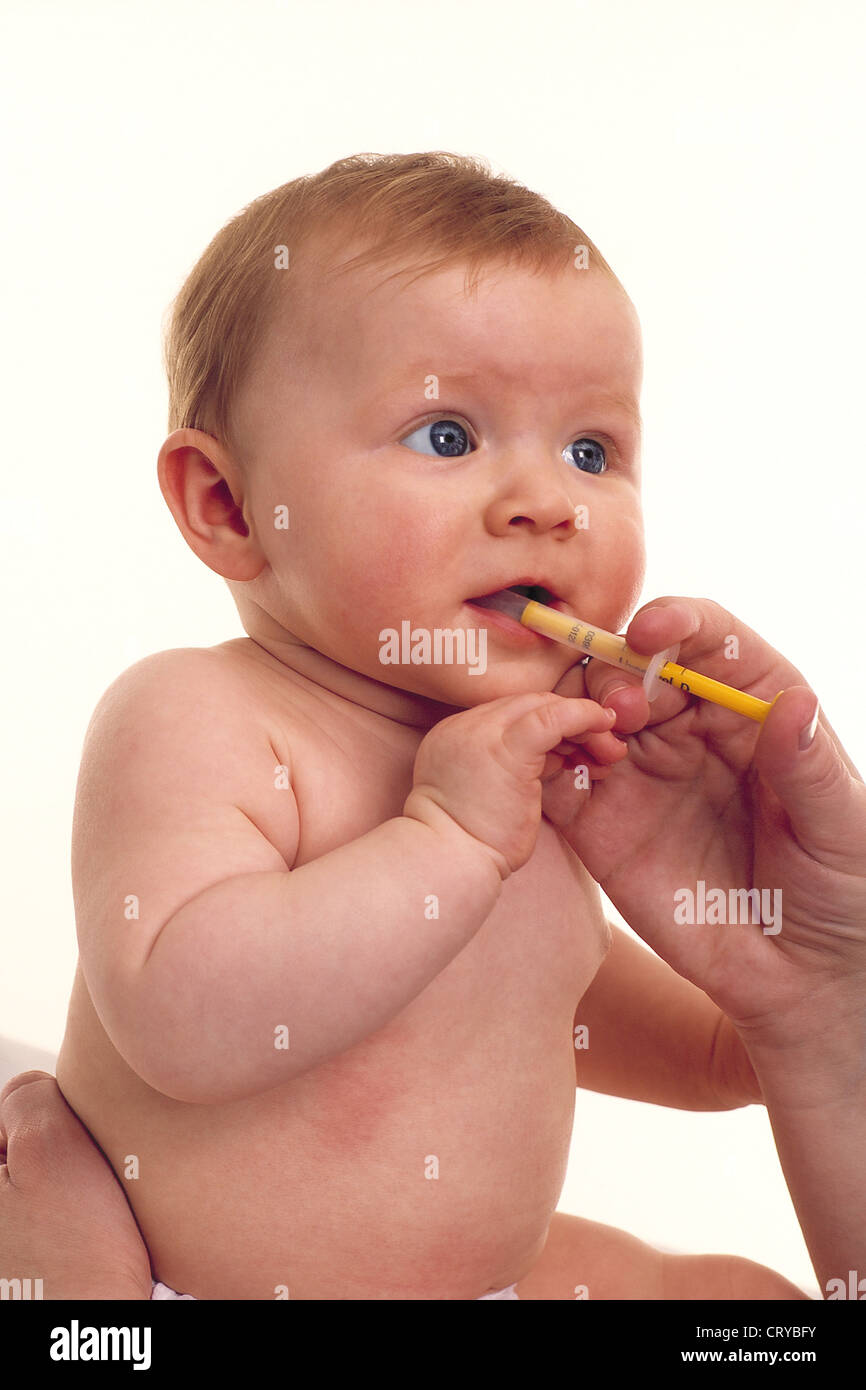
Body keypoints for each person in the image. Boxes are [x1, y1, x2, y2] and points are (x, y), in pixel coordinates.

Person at [2, 152, 864, 1300]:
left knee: (739, 1304)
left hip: (485, 1282)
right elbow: (180, 1020)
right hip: (189, 1289)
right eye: (447, 436)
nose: (548, 501)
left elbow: (546, 996)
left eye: (590, 450)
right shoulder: (203, 715)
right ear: (229, 507)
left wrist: (754, 1027)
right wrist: (445, 837)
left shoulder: (544, 769)